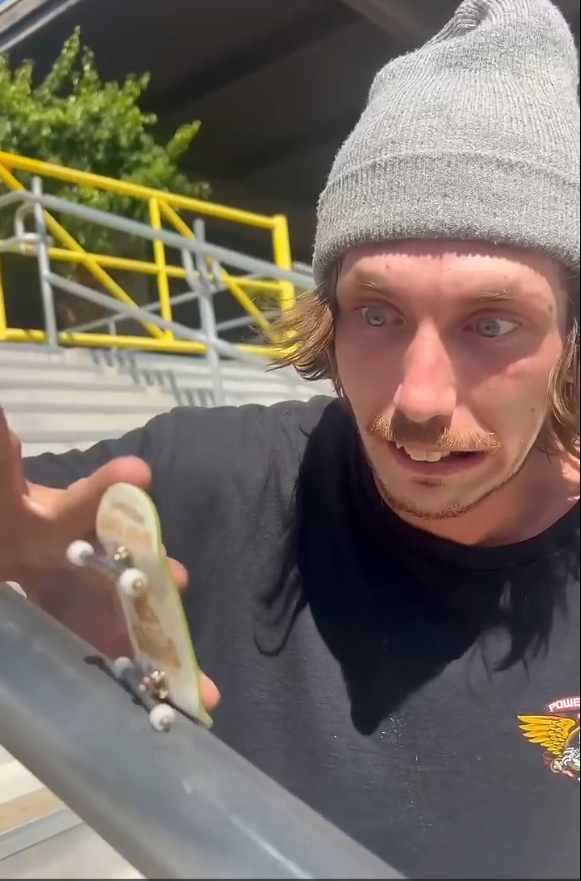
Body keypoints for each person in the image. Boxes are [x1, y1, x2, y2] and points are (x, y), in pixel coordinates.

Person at [1, 0, 579, 876]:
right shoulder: (204, 479)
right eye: (376, 312)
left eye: (491, 323)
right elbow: (27, 520)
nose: (418, 400)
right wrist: (25, 593)